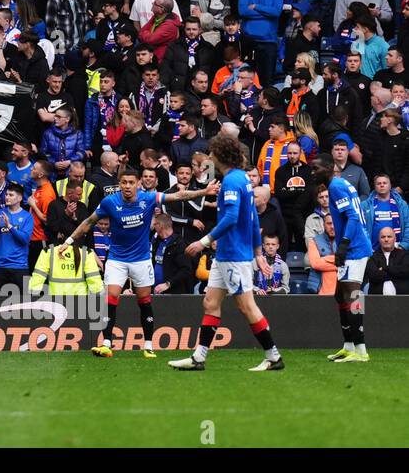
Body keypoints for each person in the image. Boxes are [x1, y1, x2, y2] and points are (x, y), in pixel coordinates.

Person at [63, 167, 214, 358]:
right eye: (124, 183)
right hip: (117, 258)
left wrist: (203, 192)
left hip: (141, 260)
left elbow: (178, 196)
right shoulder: (110, 202)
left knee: (144, 301)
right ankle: (107, 343)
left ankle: (148, 345)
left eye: (131, 182)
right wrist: (68, 241)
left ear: (138, 184)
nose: (127, 186)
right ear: (119, 184)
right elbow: (89, 222)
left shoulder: (148, 199)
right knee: (111, 297)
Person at [170, 134, 286, 372]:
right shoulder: (241, 179)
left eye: (212, 153)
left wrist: (203, 241)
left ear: (220, 154)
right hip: (227, 254)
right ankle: (198, 358)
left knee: (247, 307)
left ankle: (273, 357)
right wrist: (258, 252)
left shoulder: (233, 181)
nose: (209, 157)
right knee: (210, 302)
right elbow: (253, 219)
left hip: (233, 254)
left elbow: (233, 218)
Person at [308, 153, 374, 362]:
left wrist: (343, 244)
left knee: (354, 295)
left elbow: (353, 217)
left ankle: (361, 350)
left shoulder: (335, 187)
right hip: (350, 245)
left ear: (328, 168)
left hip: (355, 247)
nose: (312, 172)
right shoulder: (340, 183)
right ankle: (348, 346)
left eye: (316, 168)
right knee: (340, 294)